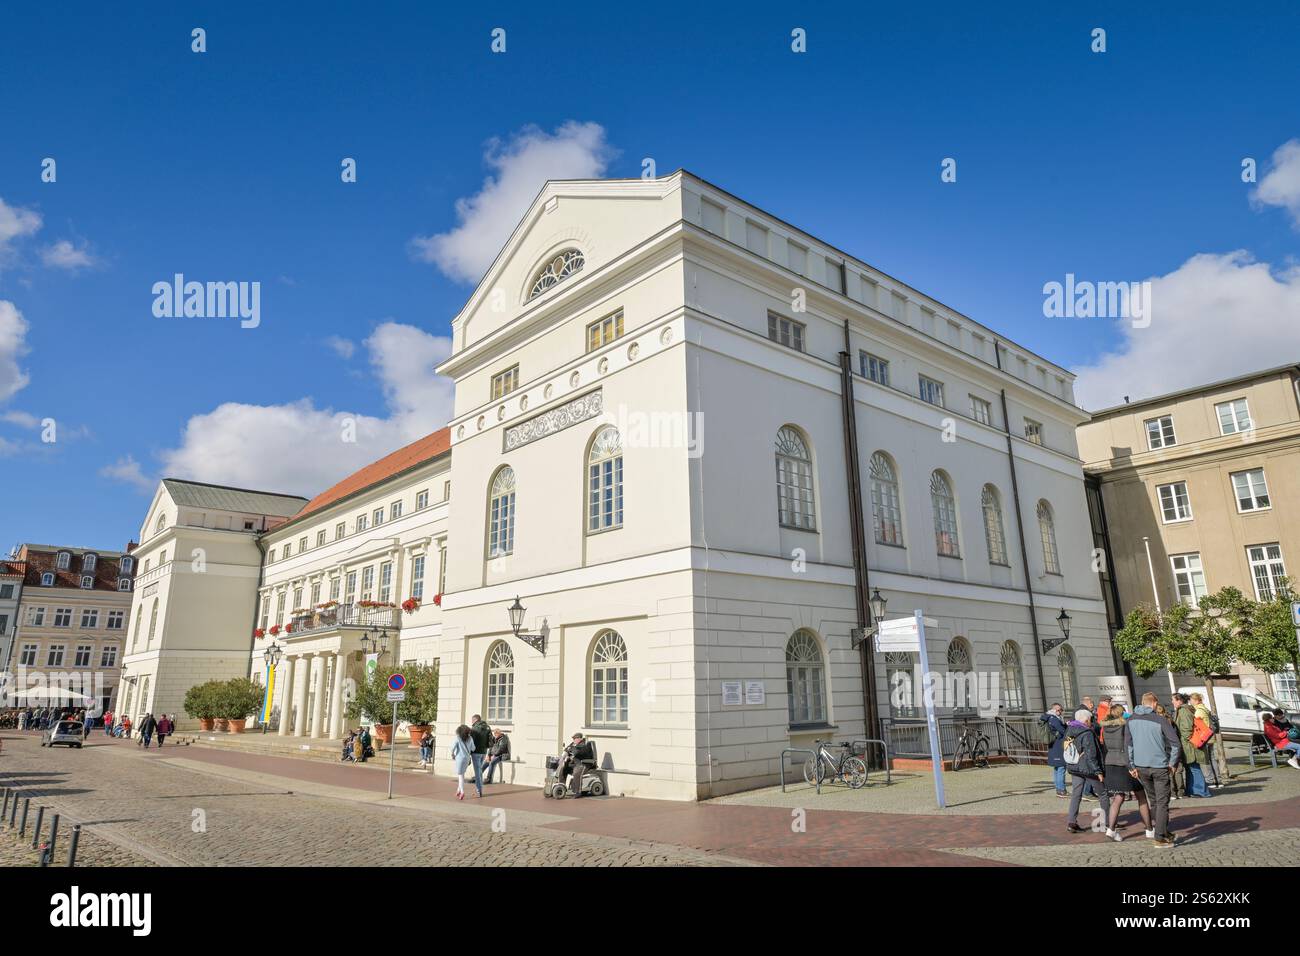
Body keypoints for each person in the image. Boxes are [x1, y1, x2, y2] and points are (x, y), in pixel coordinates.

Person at [1127, 692, 1181, 848]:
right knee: (1162, 802)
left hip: (1141, 767)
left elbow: (1128, 745)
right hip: (1159, 766)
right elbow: (1176, 743)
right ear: (1154, 704)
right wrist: (1172, 763)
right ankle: (1159, 837)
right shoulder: (1160, 720)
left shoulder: (1131, 720)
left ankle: (1163, 831)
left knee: (1154, 801)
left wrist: (1131, 765)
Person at [1099, 705, 1151, 842]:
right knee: (1141, 795)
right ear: (1122, 714)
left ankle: (1111, 829)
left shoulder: (1105, 728)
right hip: (1125, 763)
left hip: (1110, 762)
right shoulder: (1125, 726)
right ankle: (1149, 829)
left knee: (1118, 797)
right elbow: (1130, 745)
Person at [1064, 709, 1105, 834]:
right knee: (1103, 794)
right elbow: (1091, 754)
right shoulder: (1087, 732)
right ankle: (1109, 821)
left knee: (1076, 794)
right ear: (1087, 720)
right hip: (1087, 768)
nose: (1091, 722)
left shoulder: (1069, 729)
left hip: (1074, 766)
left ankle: (1071, 821)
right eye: (1090, 720)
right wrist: (1098, 771)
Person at [1175, 694, 1211, 797]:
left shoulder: (1183, 710)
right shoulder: (1188, 709)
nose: (1172, 702)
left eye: (1173, 700)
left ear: (1179, 701)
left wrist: (1185, 739)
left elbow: (1186, 728)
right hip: (1189, 743)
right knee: (1190, 767)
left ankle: (1202, 791)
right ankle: (1192, 790)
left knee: (1194, 767)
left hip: (1188, 744)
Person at [1188, 693, 1222, 789]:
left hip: (1204, 738)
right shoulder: (1205, 708)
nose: (1190, 702)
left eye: (1191, 700)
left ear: (1196, 700)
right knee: (1212, 759)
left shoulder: (1198, 711)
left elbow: (1196, 724)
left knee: (1206, 760)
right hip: (1210, 737)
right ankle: (1218, 780)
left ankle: (1210, 781)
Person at [1040, 703, 1068, 797]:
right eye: (1059, 710)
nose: (1061, 712)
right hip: (1058, 745)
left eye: (1061, 710)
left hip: (1053, 745)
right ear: (1055, 710)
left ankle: (1058, 789)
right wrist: (1066, 726)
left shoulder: (1049, 718)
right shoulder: (1054, 719)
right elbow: (1062, 731)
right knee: (1061, 768)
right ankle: (1061, 790)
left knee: (1057, 768)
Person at [556, 732, 597, 798]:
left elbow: (577, 752)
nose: (573, 740)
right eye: (573, 738)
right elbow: (567, 749)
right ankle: (561, 788)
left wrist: (571, 750)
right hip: (575, 764)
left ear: (579, 738)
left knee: (576, 773)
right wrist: (562, 757)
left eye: (575, 738)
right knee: (563, 770)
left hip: (584, 763)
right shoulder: (574, 744)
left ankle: (578, 792)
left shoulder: (584, 745)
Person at [450, 724, 475, 800]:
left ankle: (462, 792)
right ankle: (458, 790)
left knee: (460, 776)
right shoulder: (470, 738)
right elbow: (473, 748)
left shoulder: (458, 738)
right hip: (467, 758)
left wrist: (452, 755)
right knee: (462, 774)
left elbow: (452, 748)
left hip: (459, 759)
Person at [469, 715, 491, 797]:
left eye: (472, 720)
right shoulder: (487, 727)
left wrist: (469, 752)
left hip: (476, 752)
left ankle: (479, 791)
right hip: (484, 752)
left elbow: (471, 741)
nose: (471, 722)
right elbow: (490, 740)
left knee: (477, 772)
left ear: (475, 720)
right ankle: (479, 789)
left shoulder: (474, 729)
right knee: (479, 771)